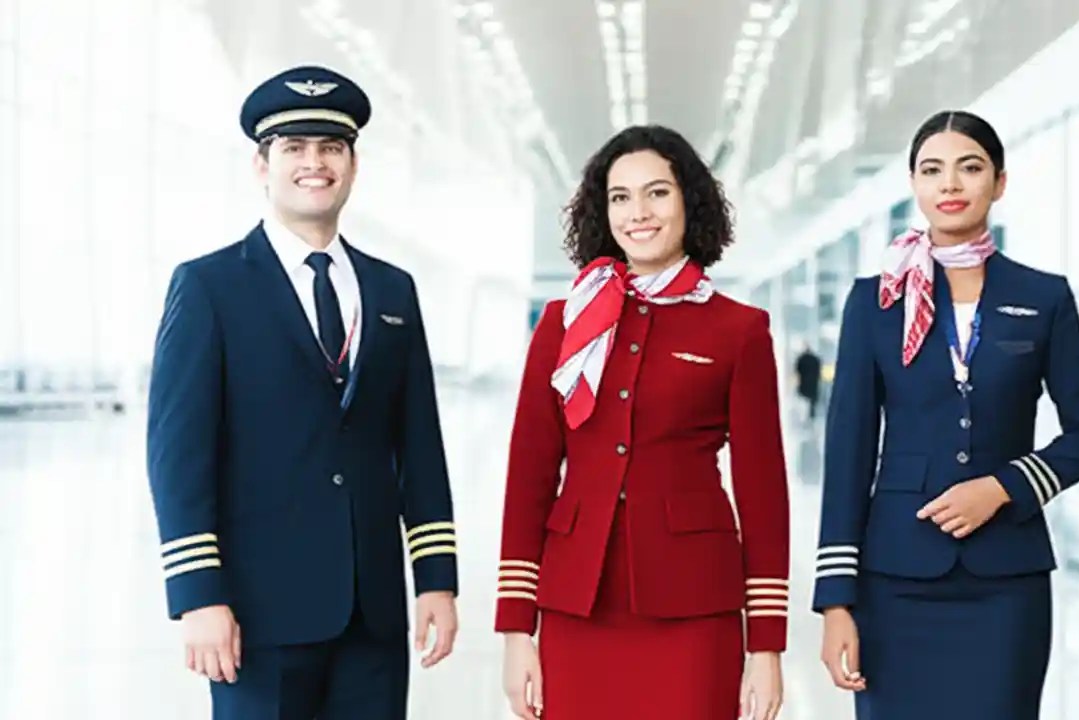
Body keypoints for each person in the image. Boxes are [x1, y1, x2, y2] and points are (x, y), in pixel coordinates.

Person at [144, 64, 459, 719]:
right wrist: (199, 592)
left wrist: (436, 579)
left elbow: (419, 446)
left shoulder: (392, 290)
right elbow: (178, 452)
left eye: (331, 148)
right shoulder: (210, 288)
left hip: (372, 616)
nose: (314, 163)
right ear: (262, 166)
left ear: (352, 164)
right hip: (257, 615)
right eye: (294, 147)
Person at [812, 110, 1079, 718]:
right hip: (894, 576)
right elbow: (847, 452)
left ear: (998, 182)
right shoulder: (874, 302)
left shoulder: (1043, 297)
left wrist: (1005, 487)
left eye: (969, 167)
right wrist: (836, 601)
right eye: (932, 170)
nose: (949, 184)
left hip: (1007, 582)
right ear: (914, 185)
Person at [494, 125, 791, 720]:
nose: (639, 213)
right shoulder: (563, 323)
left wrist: (766, 645)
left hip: (694, 606)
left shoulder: (738, 330)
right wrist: (515, 630)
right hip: (578, 599)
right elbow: (529, 475)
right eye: (620, 197)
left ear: (690, 202)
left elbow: (763, 491)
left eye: (657, 193)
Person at [794, 344, 821, 421]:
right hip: (813, 383)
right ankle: (811, 416)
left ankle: (804, 417)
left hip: (804, 383)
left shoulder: (802, 358)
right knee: (812, 401)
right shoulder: (815, 359)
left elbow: (798, 369)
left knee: (804, 400)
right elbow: (818, 370)